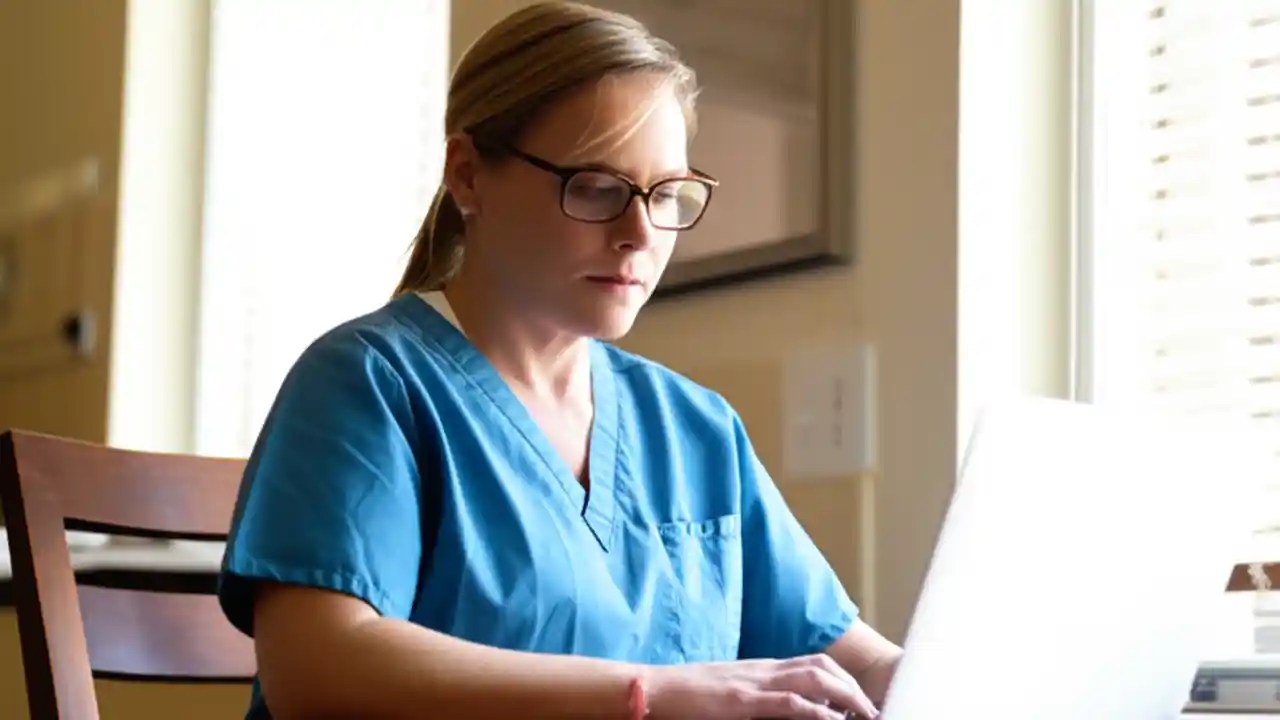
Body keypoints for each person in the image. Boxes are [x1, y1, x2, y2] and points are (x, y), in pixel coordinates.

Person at [217, 2, 903, 718]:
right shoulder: (368, 385)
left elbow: (856, 663)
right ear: (468, 175)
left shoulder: (696, 431)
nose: (640, 233)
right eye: (599, 189)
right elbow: (316, 669)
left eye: (667, 195)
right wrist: (650, 696)